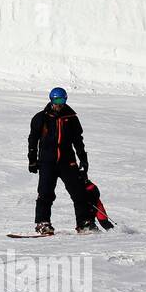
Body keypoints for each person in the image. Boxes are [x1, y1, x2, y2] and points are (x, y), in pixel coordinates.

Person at [27, 87, 94, 234]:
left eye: (62, 100)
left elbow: (78, 141)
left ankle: (84, 223)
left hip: (67, 161)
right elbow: (33, 139)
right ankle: (43, 223)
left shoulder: (71, 118)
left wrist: (83, 159)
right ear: (51, 100)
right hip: (47, 162)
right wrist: (32, 159)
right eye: (56, 100)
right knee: (45, 193)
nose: (59, 103)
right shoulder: (41, 118)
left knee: (78, 192)